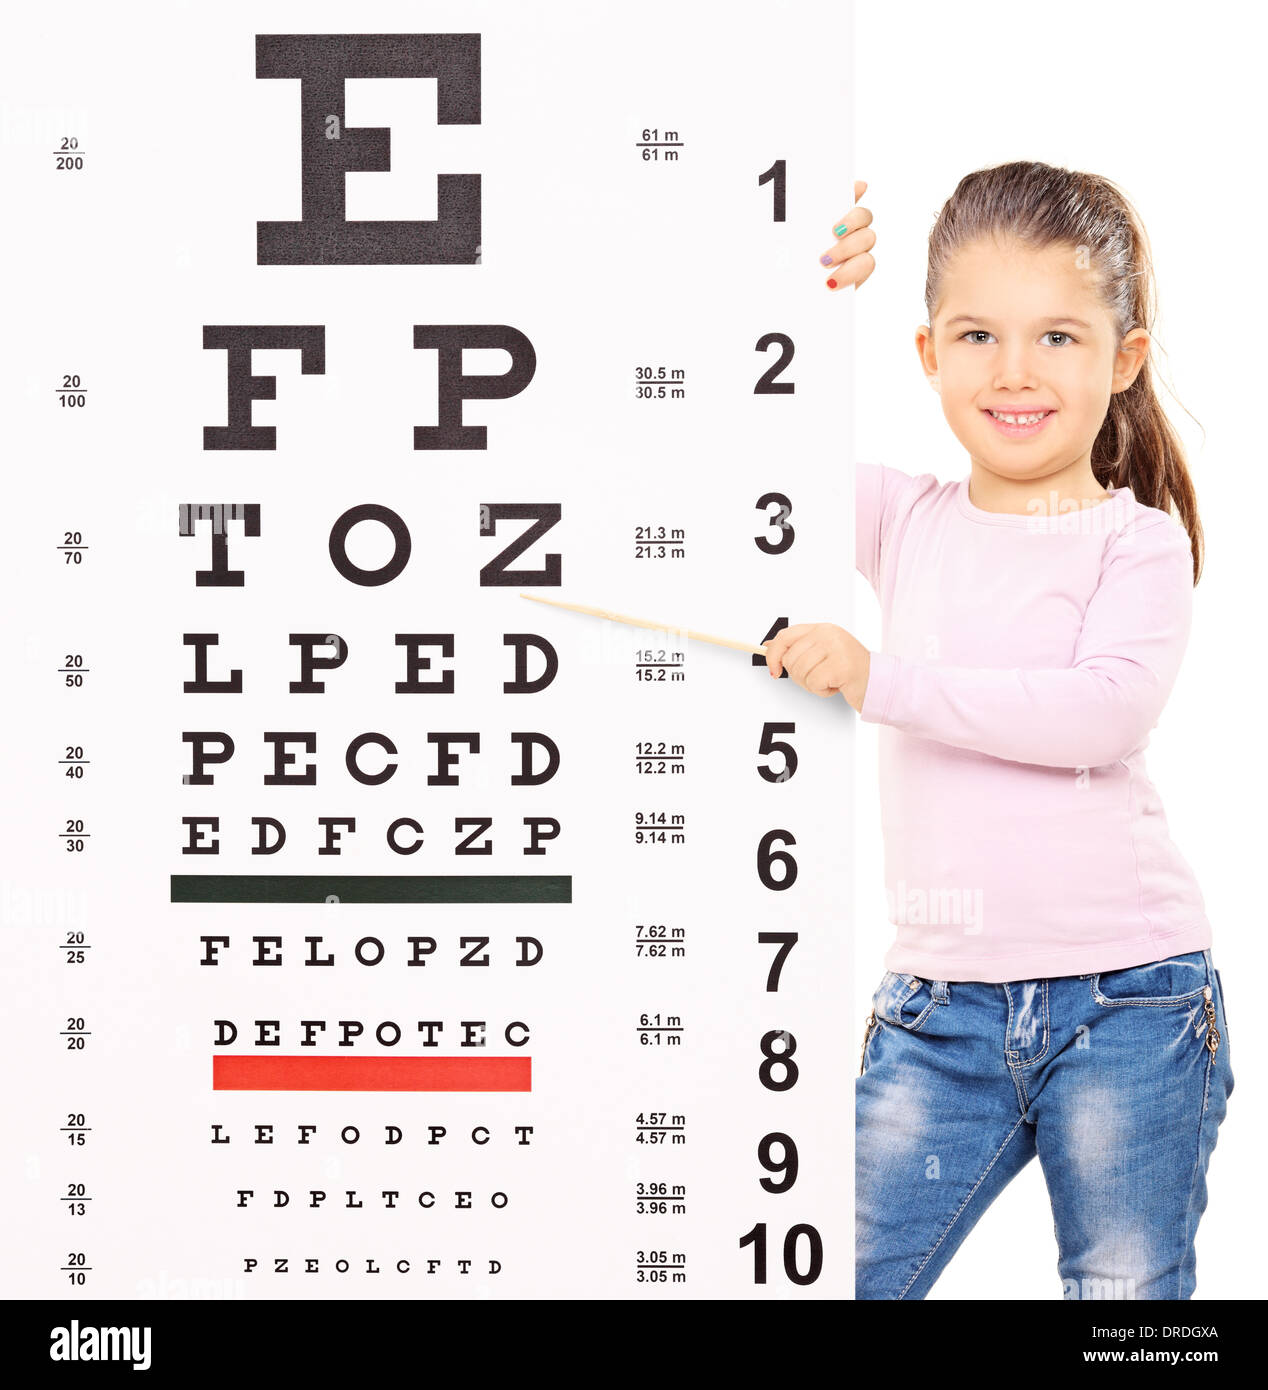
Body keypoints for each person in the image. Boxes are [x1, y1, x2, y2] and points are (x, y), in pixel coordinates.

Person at [764, 162, 1232, 1300]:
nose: (1013, 371)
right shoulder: (898, 517)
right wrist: (797, 286)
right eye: (976, 335)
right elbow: (748, 451)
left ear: (1123, 358)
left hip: (1130, 1003)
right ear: (927, 351)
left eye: (1057, 337)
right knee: (827, 1275)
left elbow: (1100, 712)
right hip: (938, 1015)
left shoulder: (1136, 543)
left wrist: (880, 678)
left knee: (1128, 1314)